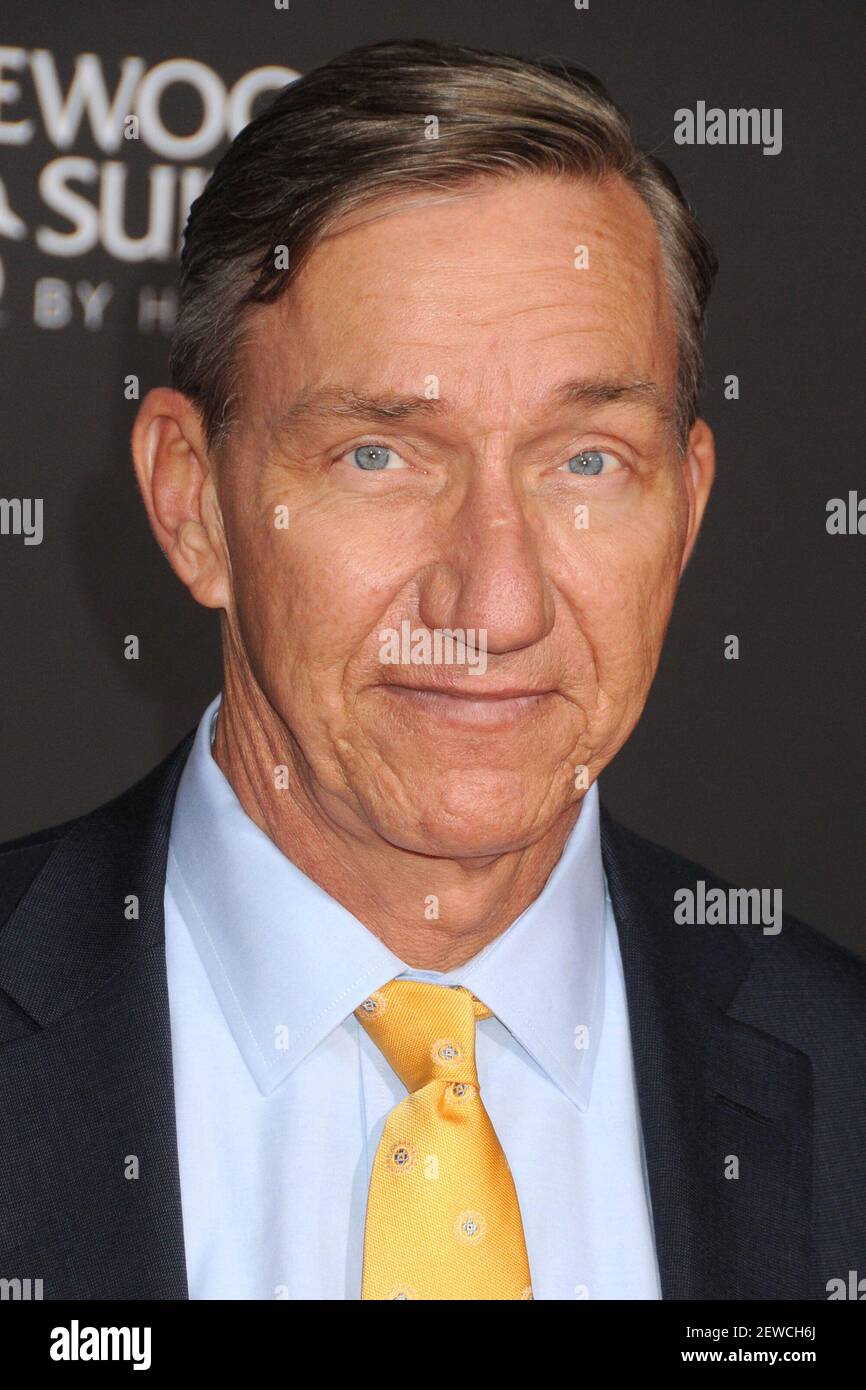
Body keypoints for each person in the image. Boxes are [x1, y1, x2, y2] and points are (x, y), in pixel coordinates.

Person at [1, 39, 863, 1301]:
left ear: (683, 513)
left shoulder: (842, 1080)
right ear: (193, 506)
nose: (496, 601)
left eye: (584, 462)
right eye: (378, 457)